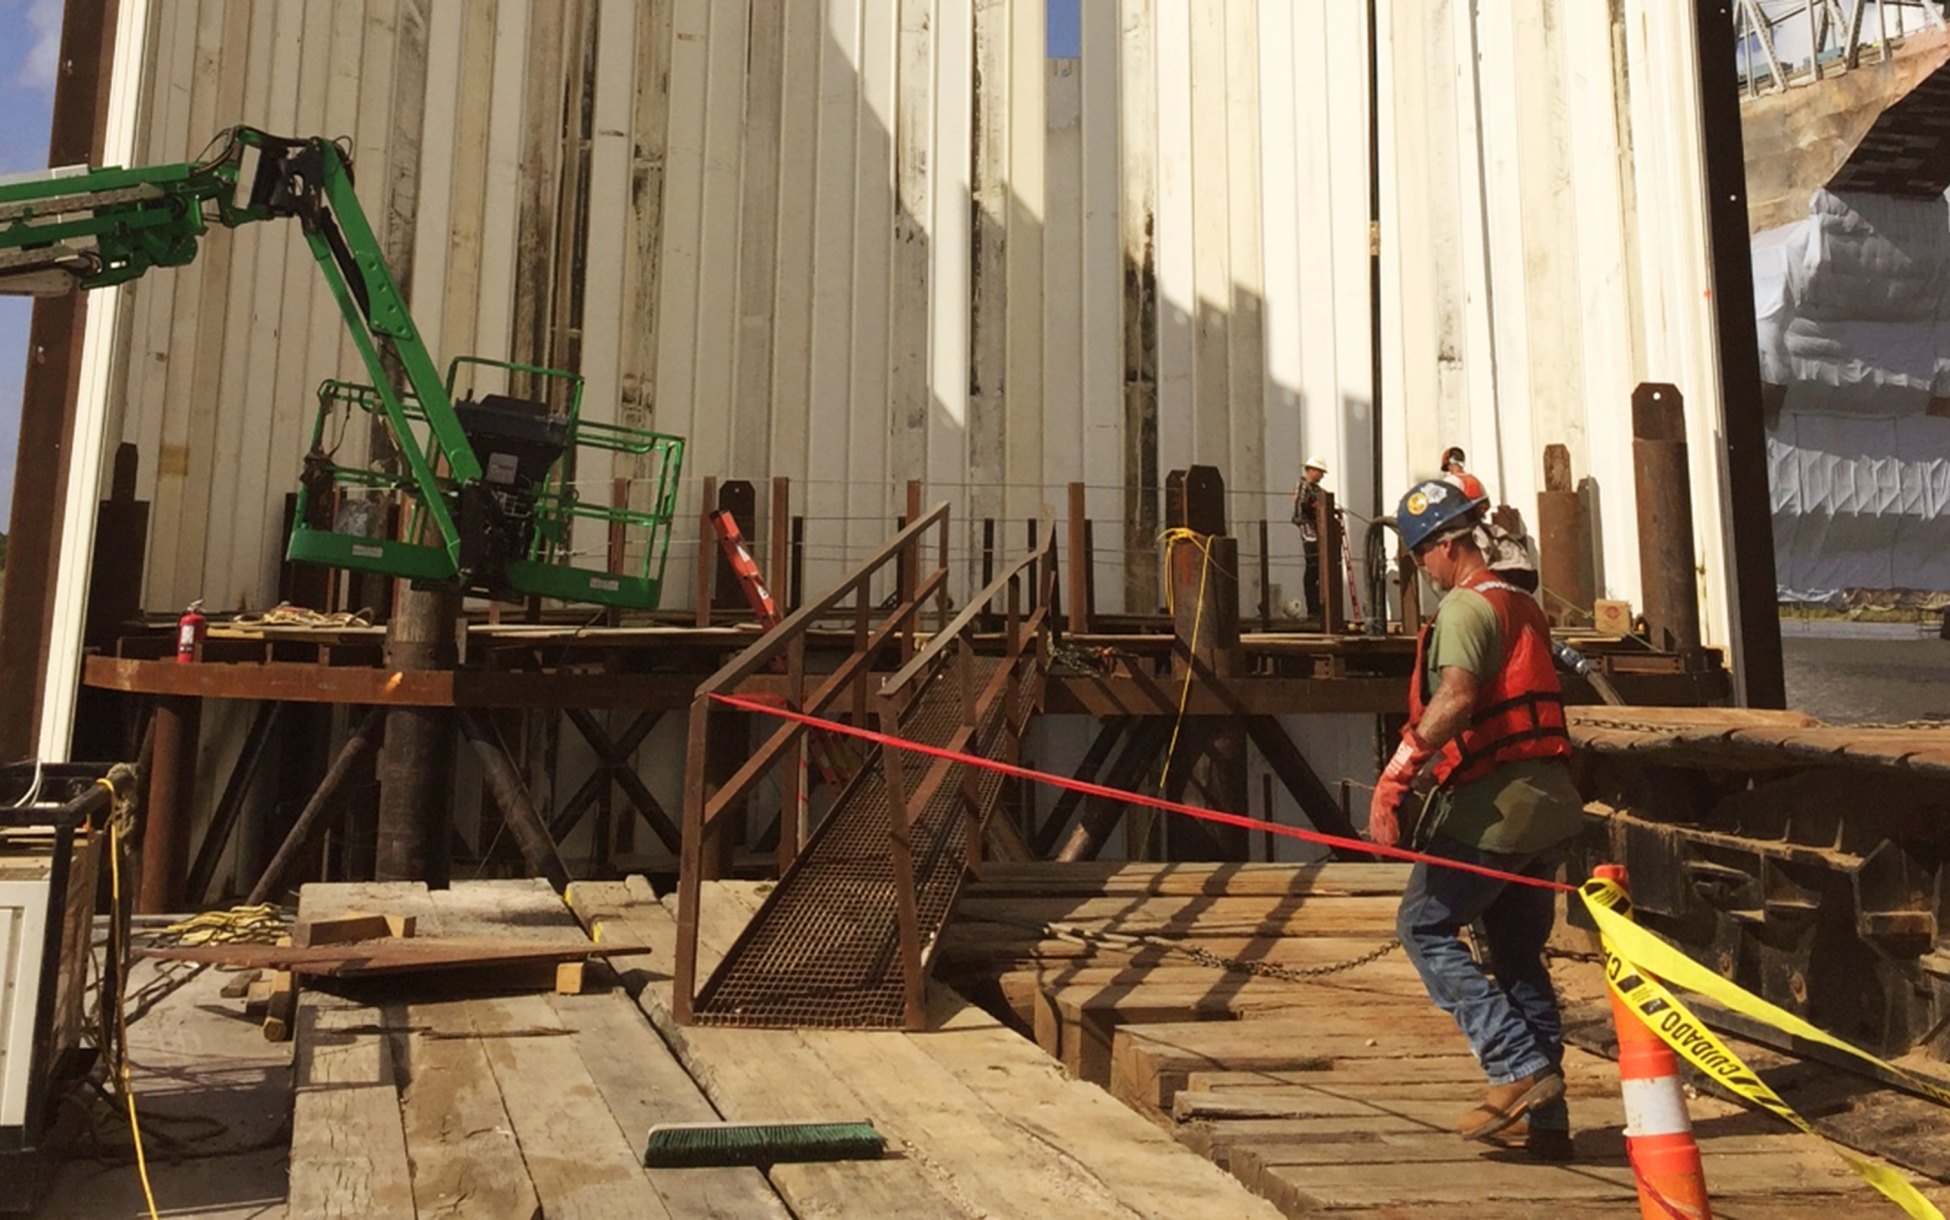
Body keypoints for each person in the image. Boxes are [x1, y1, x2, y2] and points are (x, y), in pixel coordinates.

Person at [1368, 477, 1586, 1162]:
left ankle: (1514, 1065)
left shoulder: (1464, 608)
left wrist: (1397, 773)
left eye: (1418, 555)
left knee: (1424, 926)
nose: (1420, 568)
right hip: (1547, 804)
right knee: (1518, 956)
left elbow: (1457, 698)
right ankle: (1547, 1120)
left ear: (1444, 546)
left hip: (1498, 809)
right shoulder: (1520, 603)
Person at [1290, 456, 1329, 618]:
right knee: (1313, 568)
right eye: (1320, 472)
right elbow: (1300, 509)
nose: (1322, 476)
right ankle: (1313, 608)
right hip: (1310, 533)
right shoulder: (1303, 487)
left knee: (1318, 569)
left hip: (1317, 532)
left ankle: (1318, 608)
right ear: (1312, 471)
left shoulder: (1316, 489)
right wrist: (1315, 509)